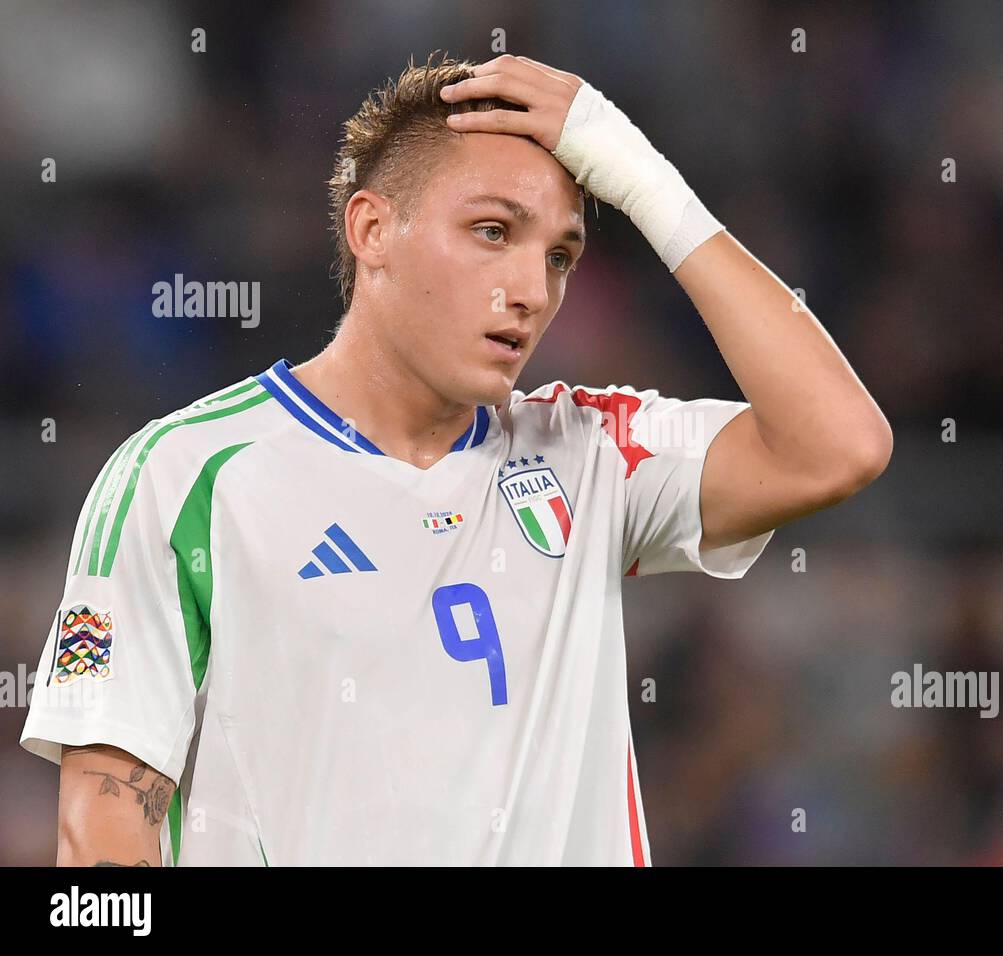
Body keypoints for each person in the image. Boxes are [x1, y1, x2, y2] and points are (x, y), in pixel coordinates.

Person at [20, 52, 892, 865]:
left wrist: (645, 181)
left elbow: (839, 445)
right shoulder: (188, 476)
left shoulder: (593, 451)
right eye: (490, 232)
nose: (530, 289)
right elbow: (101, 829)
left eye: (560, 256)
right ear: (372, 230)